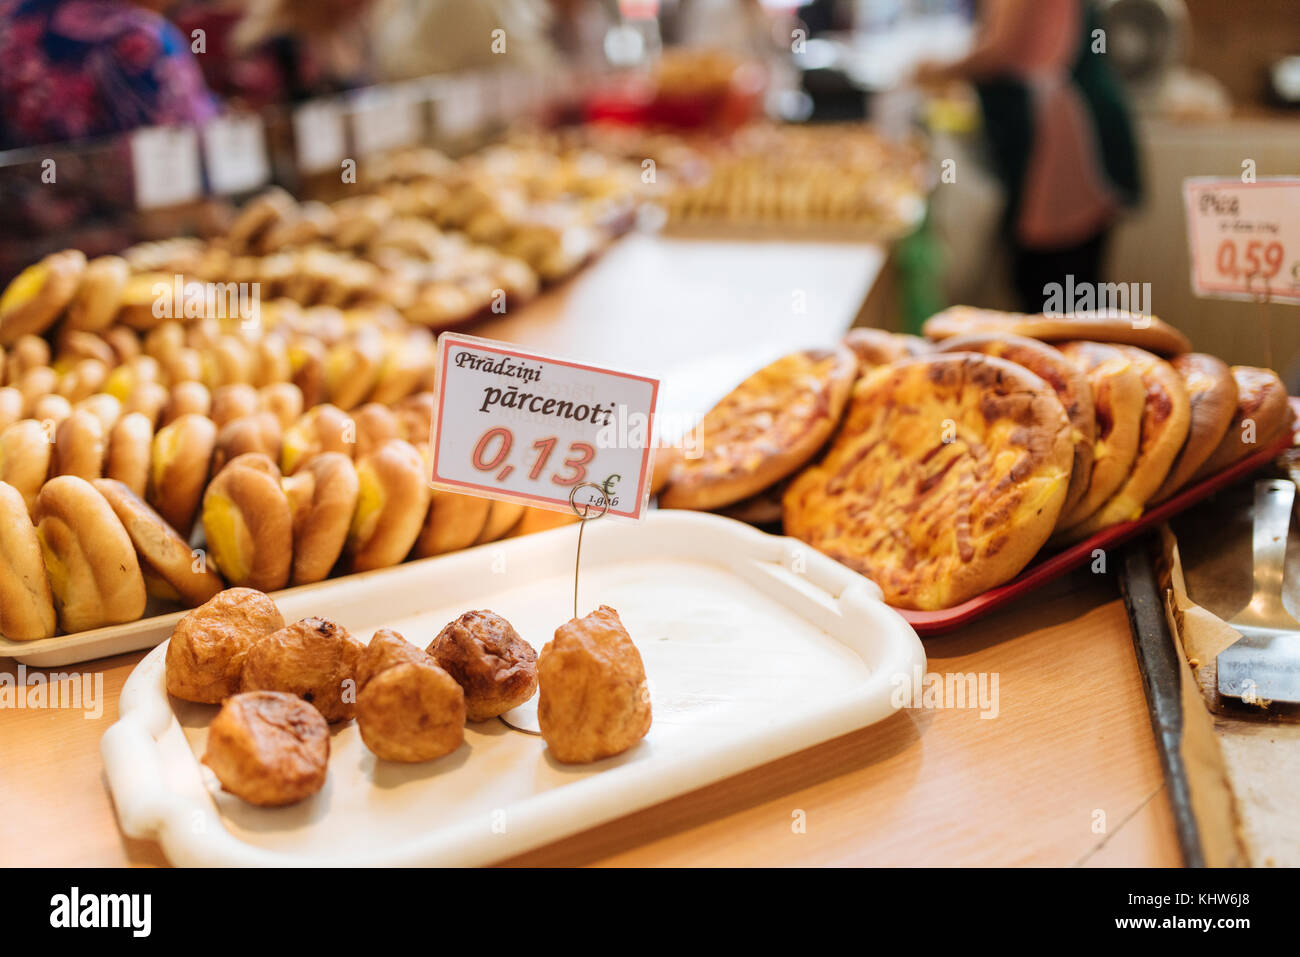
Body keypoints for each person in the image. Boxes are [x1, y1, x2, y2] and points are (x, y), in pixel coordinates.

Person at [914, 0, 1141, 314]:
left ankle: (1111, 360)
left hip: (1067, 137)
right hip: (1061, 128)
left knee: (1061, 288)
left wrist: (933, 70)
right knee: (1064, 286)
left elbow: (999, 50)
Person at [0, 0, 217, 150]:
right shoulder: (141, 38)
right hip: (119, 211)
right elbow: (200, 148)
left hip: (20, 209)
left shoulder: (8, 22)